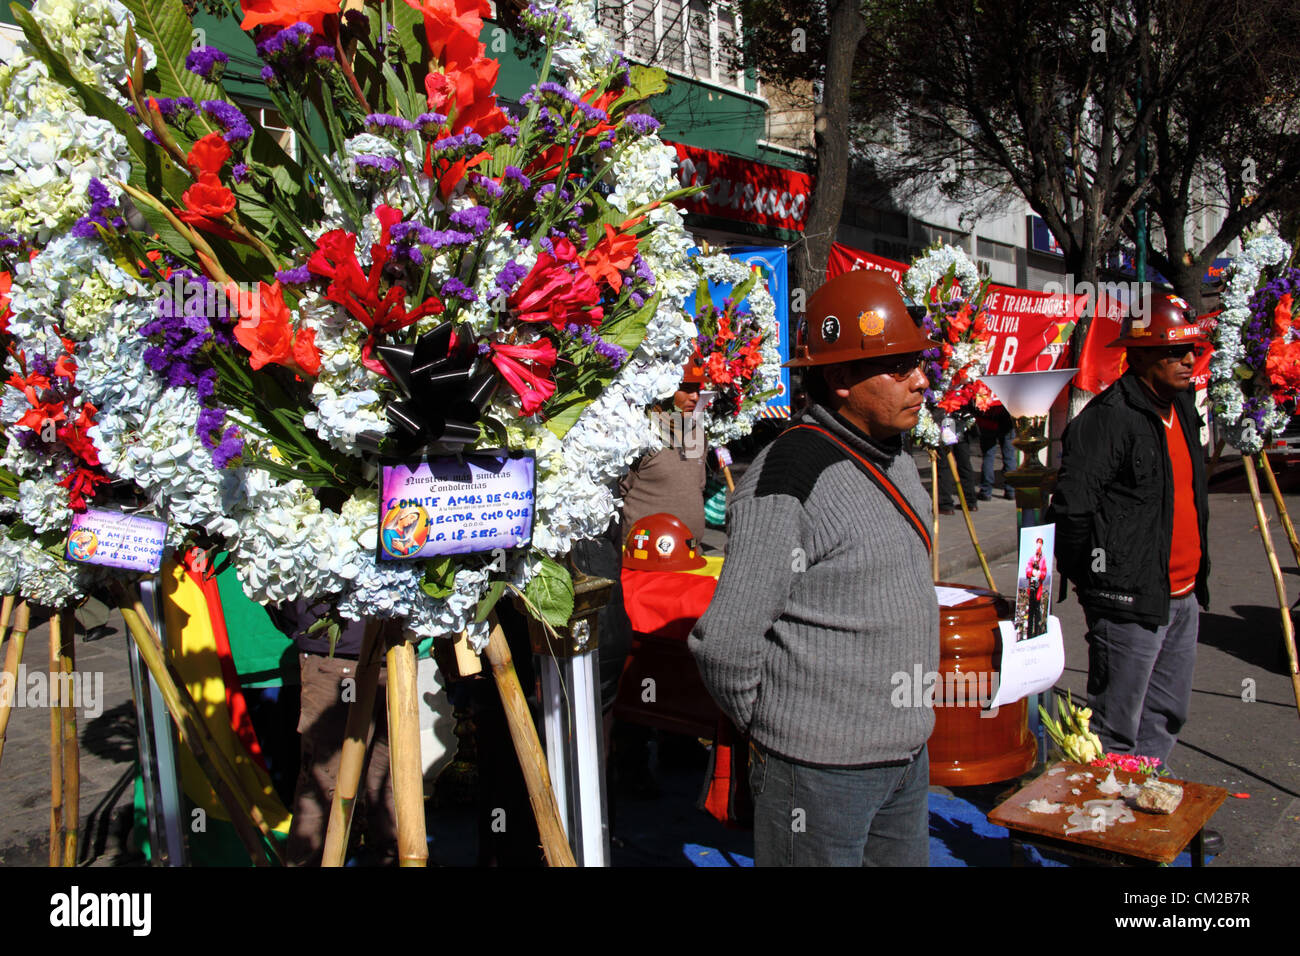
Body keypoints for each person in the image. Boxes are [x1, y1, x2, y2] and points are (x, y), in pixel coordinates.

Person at [689, 268, 940, 867]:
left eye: (917, 363)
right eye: (898, 367)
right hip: (818, 774)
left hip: (905, 759)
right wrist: (785, 731)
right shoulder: (786, 479)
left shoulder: (896, 455)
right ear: (840, 379)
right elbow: (723, 644)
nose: (920, 381)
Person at [1048, 291, 1210, 767]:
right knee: (1115, 727)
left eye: (1192, 350)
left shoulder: (1181, 407)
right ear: (1138, 356)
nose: (1187, 360)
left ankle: (1147, 801)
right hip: (1127, 602)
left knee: (1165, 714)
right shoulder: (1106, 420)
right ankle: (1106, 827)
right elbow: (1073, 511)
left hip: (1181, 596)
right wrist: (1097, 585)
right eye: (1173, 350)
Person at [977, 404, 1016, 500]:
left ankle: (986, 491)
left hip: (989, 420)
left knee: (988, 456)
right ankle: (1011, 490)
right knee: (1009, 457)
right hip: (1007, 420)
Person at [1022, 537, 1047, 639]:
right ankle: (1029, 634)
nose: (1038, 545)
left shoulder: (1043, 559)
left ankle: (1037, 633)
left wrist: (1040, 574)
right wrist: (1032, 572)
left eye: (1040, 543)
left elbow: (1044, 573)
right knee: (1031, 611)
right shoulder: (1032, 558)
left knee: (1037, 611)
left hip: (1038, 588)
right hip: (1031, 587)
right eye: (1037, 543)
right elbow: (1027, 569)